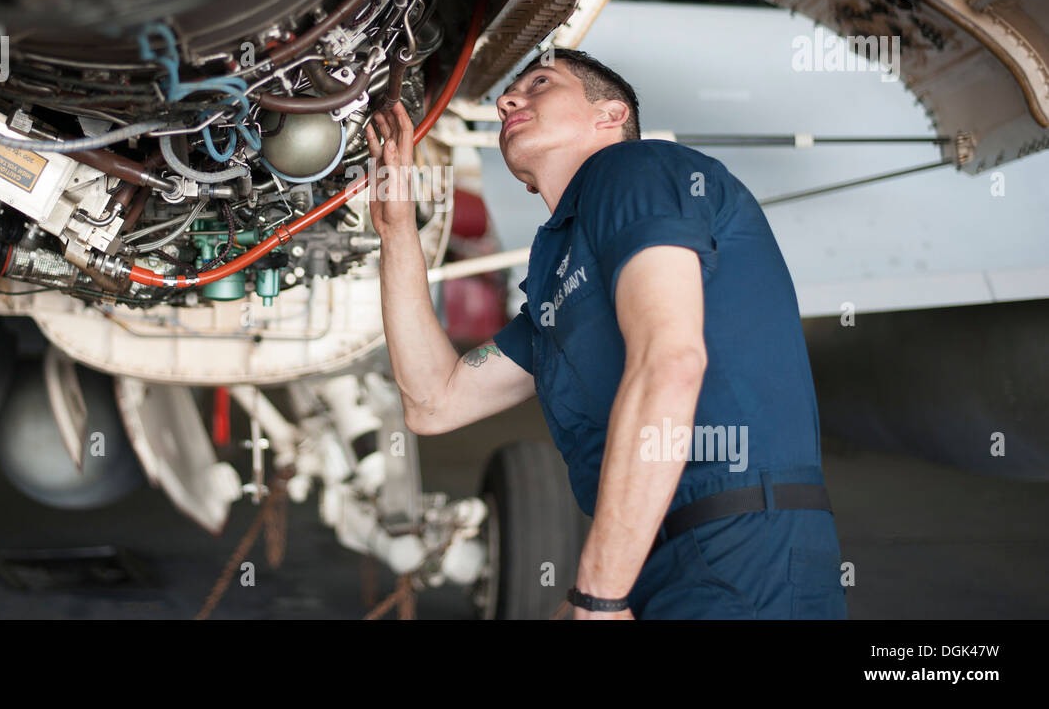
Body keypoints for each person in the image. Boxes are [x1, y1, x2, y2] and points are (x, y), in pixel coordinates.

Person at [363, 47, 847, 620]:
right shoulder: (556, 279)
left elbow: (671, 361)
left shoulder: (634, 170)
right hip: (649, 554)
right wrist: (396, 230)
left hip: (737, 548)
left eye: (540, 83)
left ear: (610, 116)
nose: (508, 99)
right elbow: (432, 401)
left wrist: (597, 593)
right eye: (511, 93)